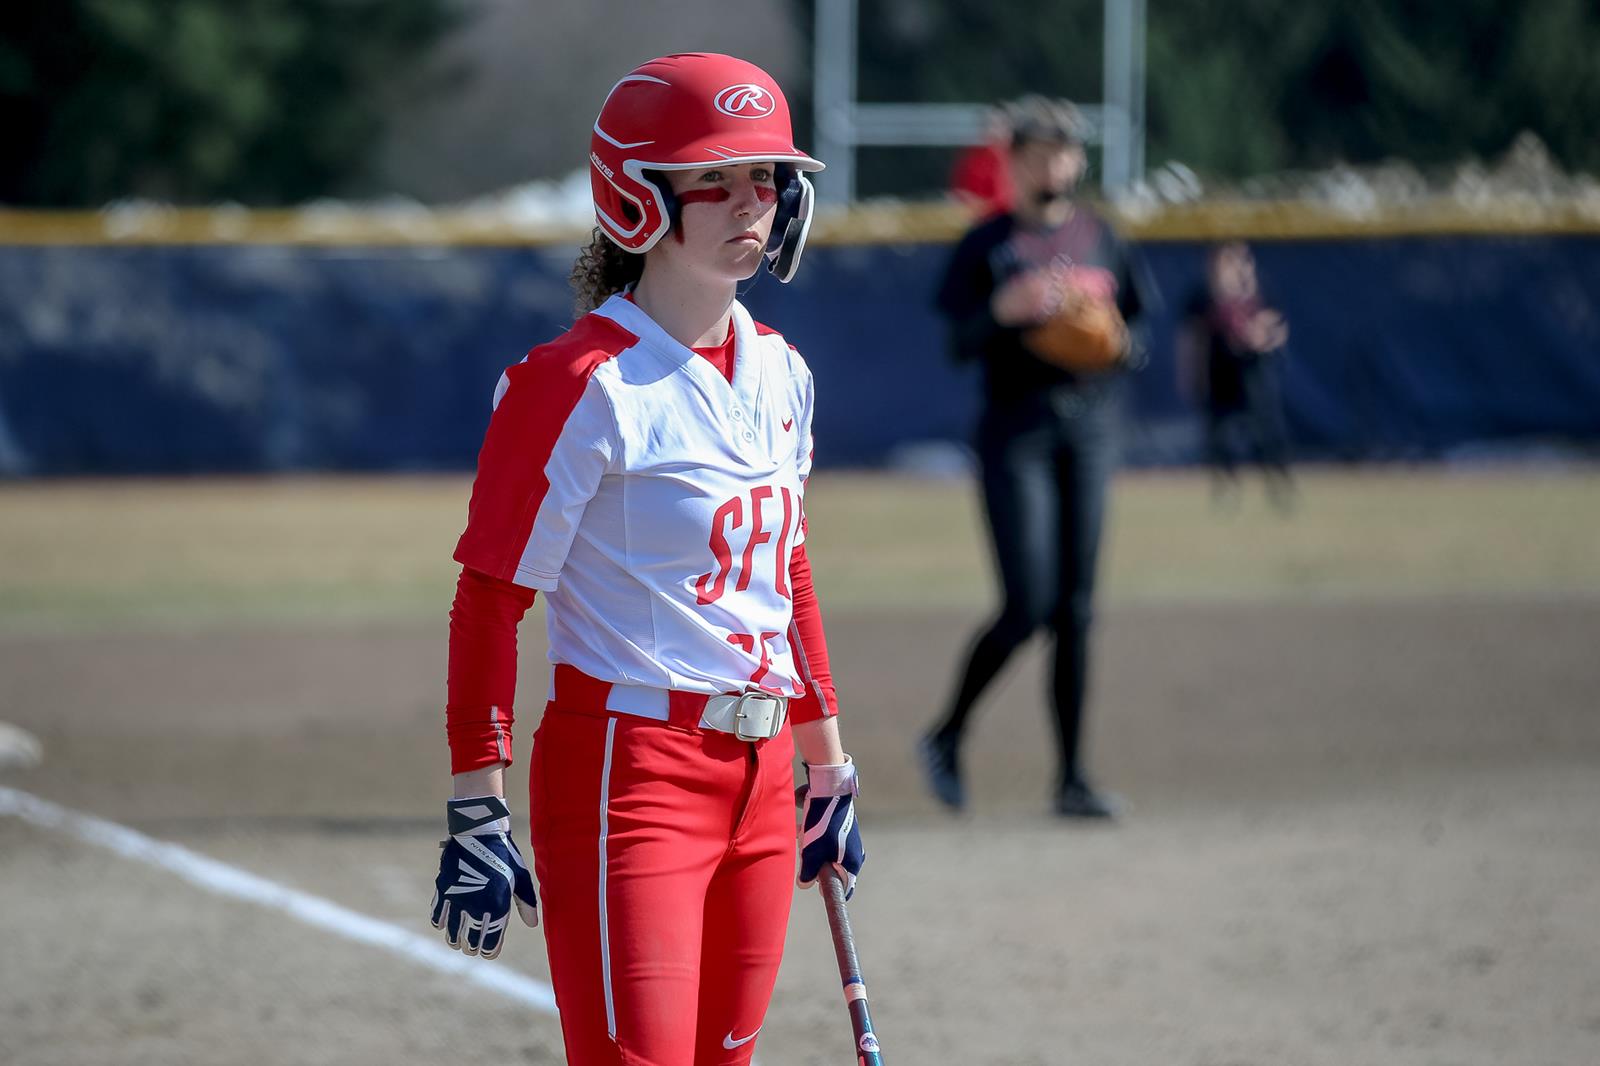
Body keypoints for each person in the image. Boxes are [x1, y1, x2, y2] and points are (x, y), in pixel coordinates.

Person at [428, 53, 865, 1066]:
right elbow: (490, 596)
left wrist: (827, 763)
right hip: (631, 773)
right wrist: (474, 802)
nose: (748, 201)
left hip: (760, 782)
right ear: (635, 195)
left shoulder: (783, 372)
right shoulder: (578, 383)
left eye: (764, 177)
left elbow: (784, 578)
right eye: (712, 179)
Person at [919, 96, 1149, 820]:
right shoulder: (987, 244)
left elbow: (1135, 335)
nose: (1053, 163)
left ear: (1077, 161)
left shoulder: (1100, 238)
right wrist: (1001, 314)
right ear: (1013, 162)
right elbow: (955, 344)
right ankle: (948, 734)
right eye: (1037, 152)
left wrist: (1115, 343)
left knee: (1078, 610)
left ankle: (1072, 779)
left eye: (1063, 151)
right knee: (1028, 606)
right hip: (1015, 433)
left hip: (1089, 432)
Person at [1179, 241, 1296, 509]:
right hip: (1219, 375)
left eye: (1242, 260)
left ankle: (1279, 484)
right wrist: (1191, 375)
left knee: (1268, 432)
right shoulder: (1203, 295)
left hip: (1255, 373)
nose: (1237, 266)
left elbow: (1278, 327)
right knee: (1221, 437)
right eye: (1229, 260)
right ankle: (1227, 488)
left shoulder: (1259, 289)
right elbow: (1191, 339)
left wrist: (1260, 338)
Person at [948, 105, 1014, 220]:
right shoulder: (970, 155)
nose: (992, 130)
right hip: (972, 221)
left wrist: (979, 205)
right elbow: (957, 191)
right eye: (988, 125)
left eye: (997, 125)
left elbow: (1009, 202)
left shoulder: (1014, 158)